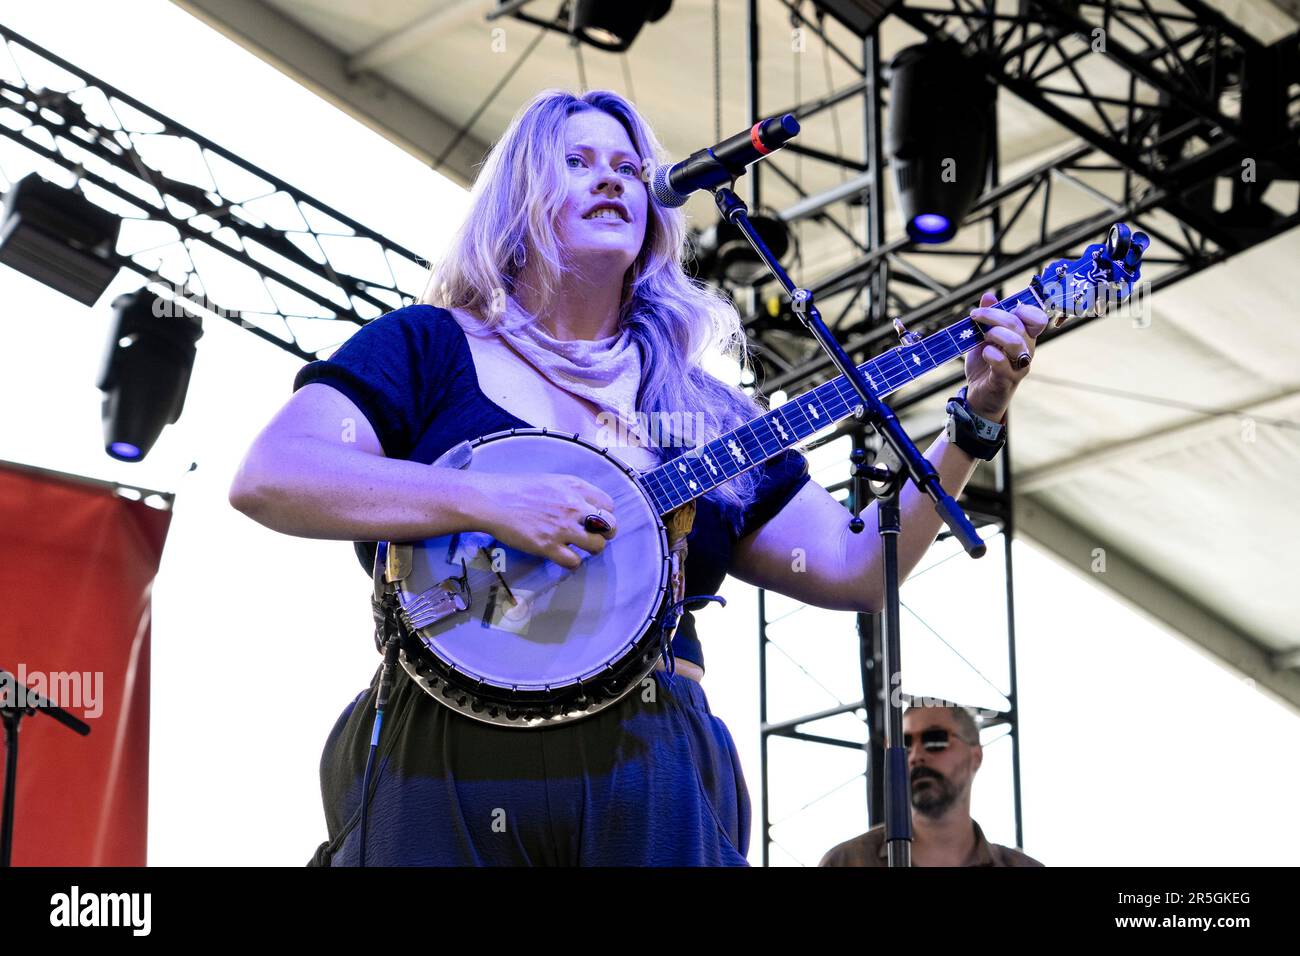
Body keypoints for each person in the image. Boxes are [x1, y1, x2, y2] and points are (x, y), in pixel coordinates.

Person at [228, 88, 1046, 866]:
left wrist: (973, 422)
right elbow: (274, 474)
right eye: (578, 163)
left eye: (626, 167)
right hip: (440, 745)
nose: (612, 178)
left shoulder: (703, 409)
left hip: (650, 750)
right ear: (518, 198)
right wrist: (487, 500)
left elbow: (855, 566)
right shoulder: (429, 347)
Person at [819, 704, 1044, 866]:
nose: (916, 755)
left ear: (976, 756)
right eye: (904, 744)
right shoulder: (846, 862)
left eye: (935, 739)